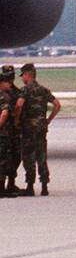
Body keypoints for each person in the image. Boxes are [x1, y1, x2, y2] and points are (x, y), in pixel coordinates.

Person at [18, 63, 60, 197]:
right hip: (41, 128)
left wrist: (16, 120)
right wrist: (48, 119)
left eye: (23, 75)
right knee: (41, 155)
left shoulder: (25, 90)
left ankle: (30, 186)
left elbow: (19, 105)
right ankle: (44, 186)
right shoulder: (44, 90)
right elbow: (57, 105)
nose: (22, 78)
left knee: (28, 156)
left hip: (28, 128)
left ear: (27, 75)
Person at [0, 65, 23, 195]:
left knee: (15, 157)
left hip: (13, 130)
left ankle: (11, 184)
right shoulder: (4, 93)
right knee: (4, 158)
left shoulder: (17, 92)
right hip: (6, 130)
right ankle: (3, 186)